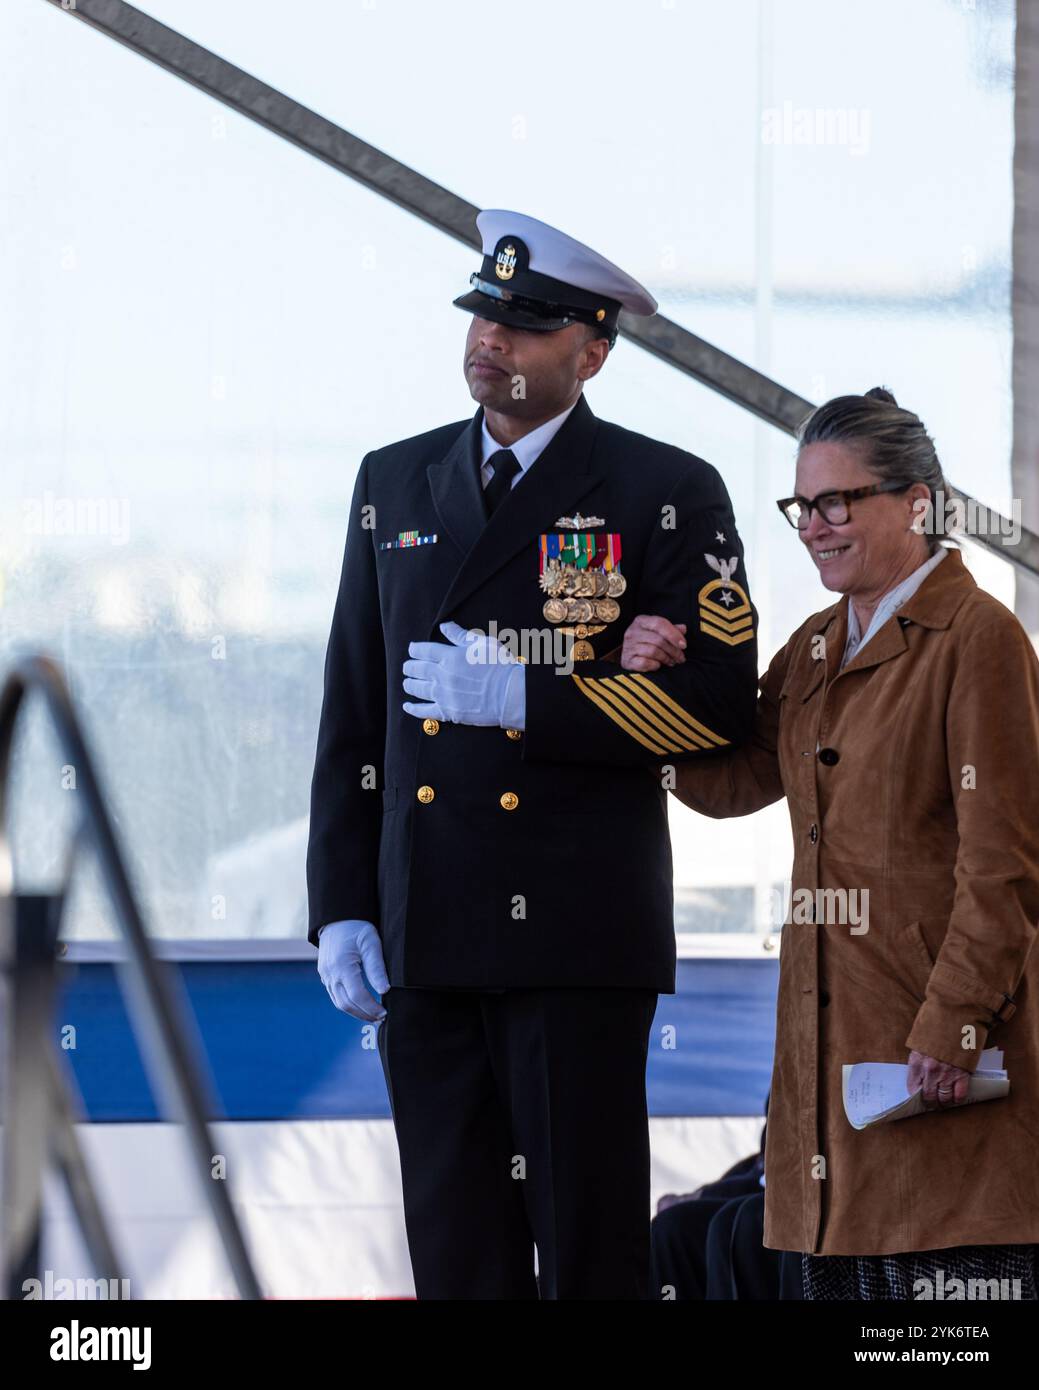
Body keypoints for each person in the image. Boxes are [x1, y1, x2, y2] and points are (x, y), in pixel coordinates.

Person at [306, 209, 760, 1299]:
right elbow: (353, 708)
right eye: (482, 315)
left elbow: (716, 710)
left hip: (572, 937)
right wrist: (341, 902)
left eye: (522, 323)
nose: (489, 341)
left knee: (586, 1250)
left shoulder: (667, 488)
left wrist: (525, 694)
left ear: (592, 350)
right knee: (458, 1250)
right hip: (428, 928)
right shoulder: (394, 481)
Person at [620, 387, 1039, 1300]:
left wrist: (951, 1023)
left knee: (941, 1335)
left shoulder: (980, 639)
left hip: (935, 1061)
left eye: (838, 501)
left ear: (917, 503)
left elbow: (1003, 862)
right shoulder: (814, 645)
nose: (813, 526)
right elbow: (735, 782)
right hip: (827, 1074)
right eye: (803, 506)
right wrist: (656, 689)